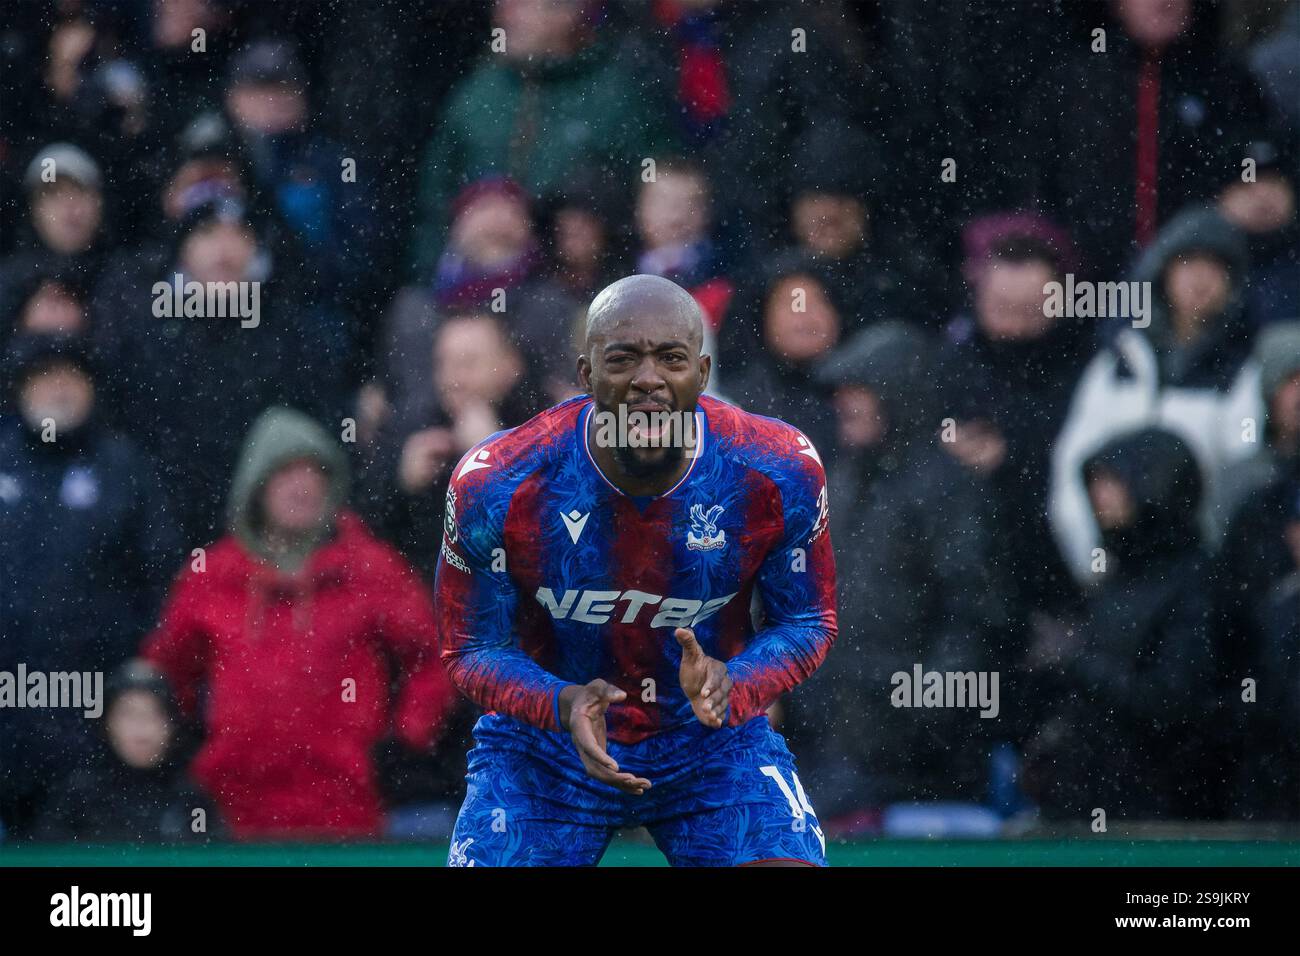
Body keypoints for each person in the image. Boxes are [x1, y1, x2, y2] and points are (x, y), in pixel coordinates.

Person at [437, 274, 836, 866]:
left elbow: (809, 619)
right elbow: (469, 649)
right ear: (585, 374)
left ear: (701, 374)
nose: (648, 379)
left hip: (711, 743)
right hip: (543, 747)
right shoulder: (496, 482)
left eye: (670, 358)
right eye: (623, 359)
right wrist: (562, 702)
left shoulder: (777, 469)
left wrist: (737, 682)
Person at [142, 407, 459, 840]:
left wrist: (405, 743)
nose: (303, 485)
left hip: (345, 809)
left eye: (315, 473)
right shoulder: (211, 574)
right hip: (229, 813)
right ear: (256, 487)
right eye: (286, 472)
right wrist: (180, 750)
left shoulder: (370, 567)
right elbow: (164, 672)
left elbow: (434, 657)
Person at [0, 333, 180, 838]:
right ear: (20, 389)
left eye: (71, 376)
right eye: (45, 376)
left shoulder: (124, 467)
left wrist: (134, 685)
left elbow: (161, 577)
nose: (59, 388)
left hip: (91, 722)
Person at [30, 660, 223, 843]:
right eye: (128, 714)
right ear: (107, 724)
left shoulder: (191, 801)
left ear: (172, 725)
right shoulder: (79, 797)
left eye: (154, 714)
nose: (141, 727)